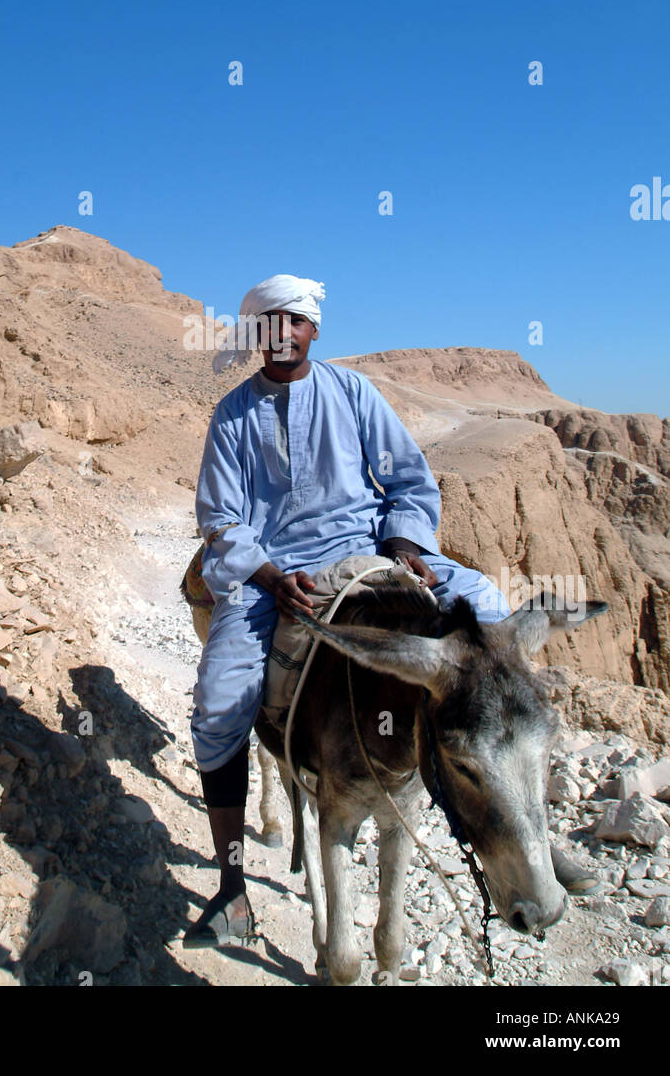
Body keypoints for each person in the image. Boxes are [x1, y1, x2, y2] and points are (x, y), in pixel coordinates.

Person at [182, 274, 596, 950]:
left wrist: (406, 543)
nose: (283, 334)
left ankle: (531, 831)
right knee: (222, 697)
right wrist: (268, 575)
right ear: (257, 335)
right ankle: (230, 889)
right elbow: (221, 519)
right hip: (276, 572)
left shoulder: (353, 393)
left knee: (490, 612)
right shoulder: (231, 416)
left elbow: (408, 479)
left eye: (296, 322)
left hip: (371, 547)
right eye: (269, 324)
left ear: (314, 331)